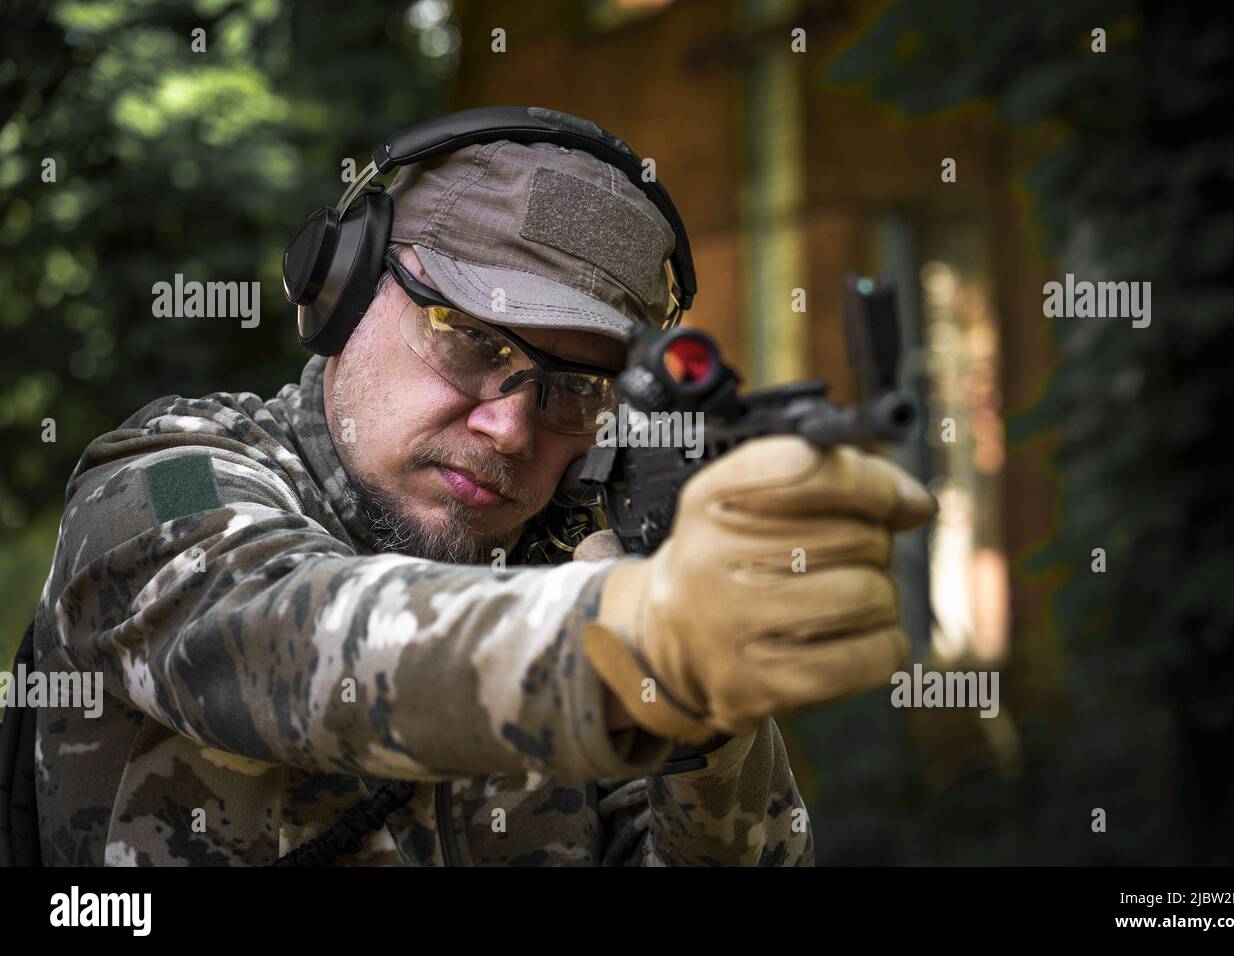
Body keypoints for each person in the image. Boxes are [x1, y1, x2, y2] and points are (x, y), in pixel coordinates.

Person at [28, 110, 935, 866]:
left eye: (575, 390)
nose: (510, 427)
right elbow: (277, 629)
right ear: (342, 295)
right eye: (472, 340)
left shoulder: (584, 562)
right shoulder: (172, 478)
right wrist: (632, 638)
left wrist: (703, 719)